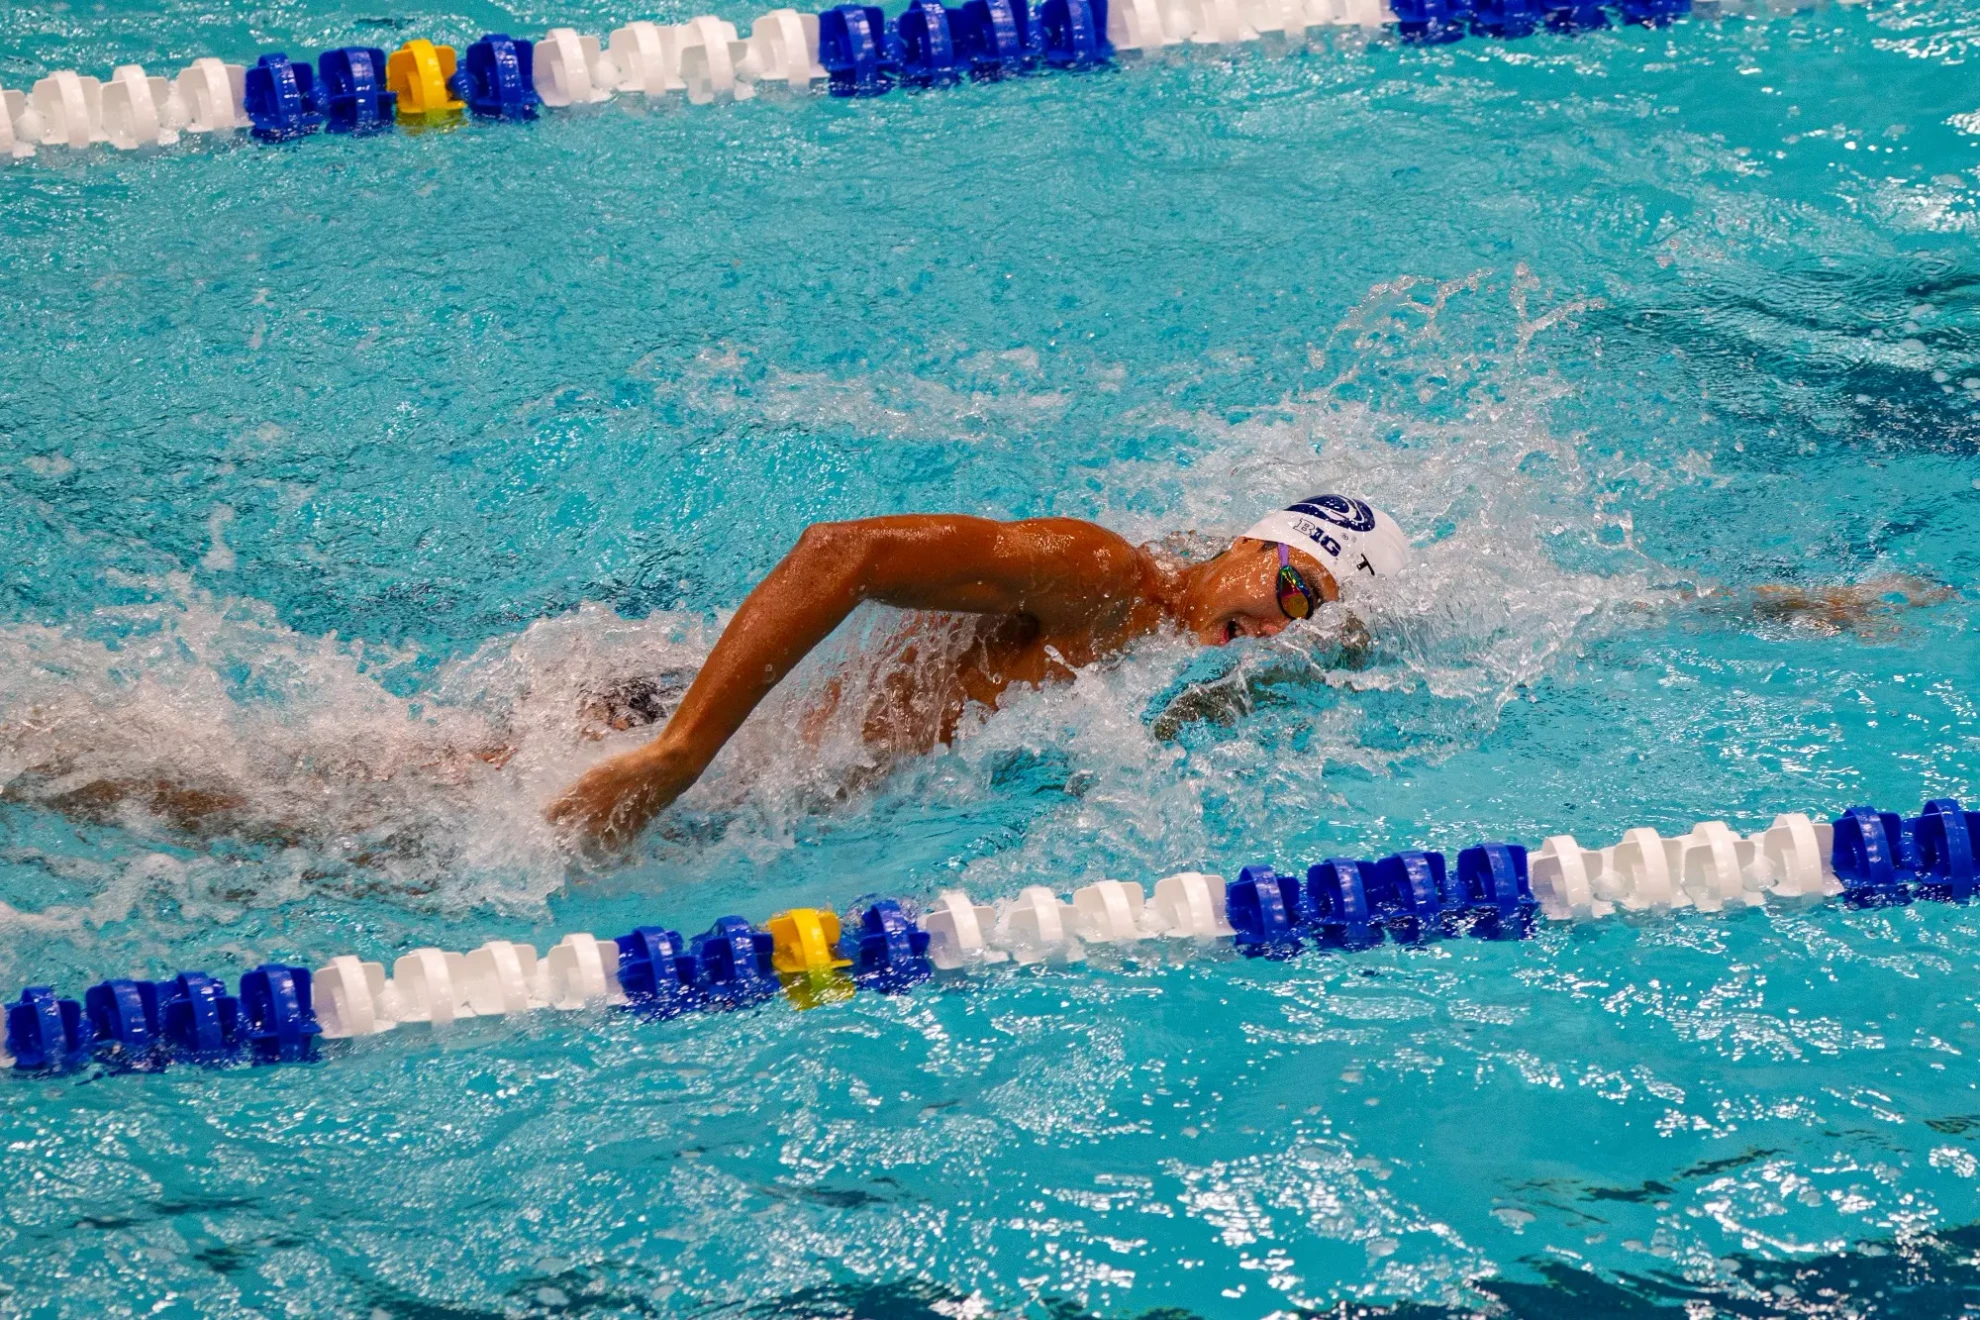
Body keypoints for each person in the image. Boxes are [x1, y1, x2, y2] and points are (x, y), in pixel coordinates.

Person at [546, 496, 1412, 845]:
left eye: (1308, 623)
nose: (1277, 629)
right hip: (699, 750)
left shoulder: (1189, 664)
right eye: (1294, 589)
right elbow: (844, 551)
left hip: (768, 783)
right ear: (1251, 541)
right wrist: (678, 756)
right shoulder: (1104, 579)